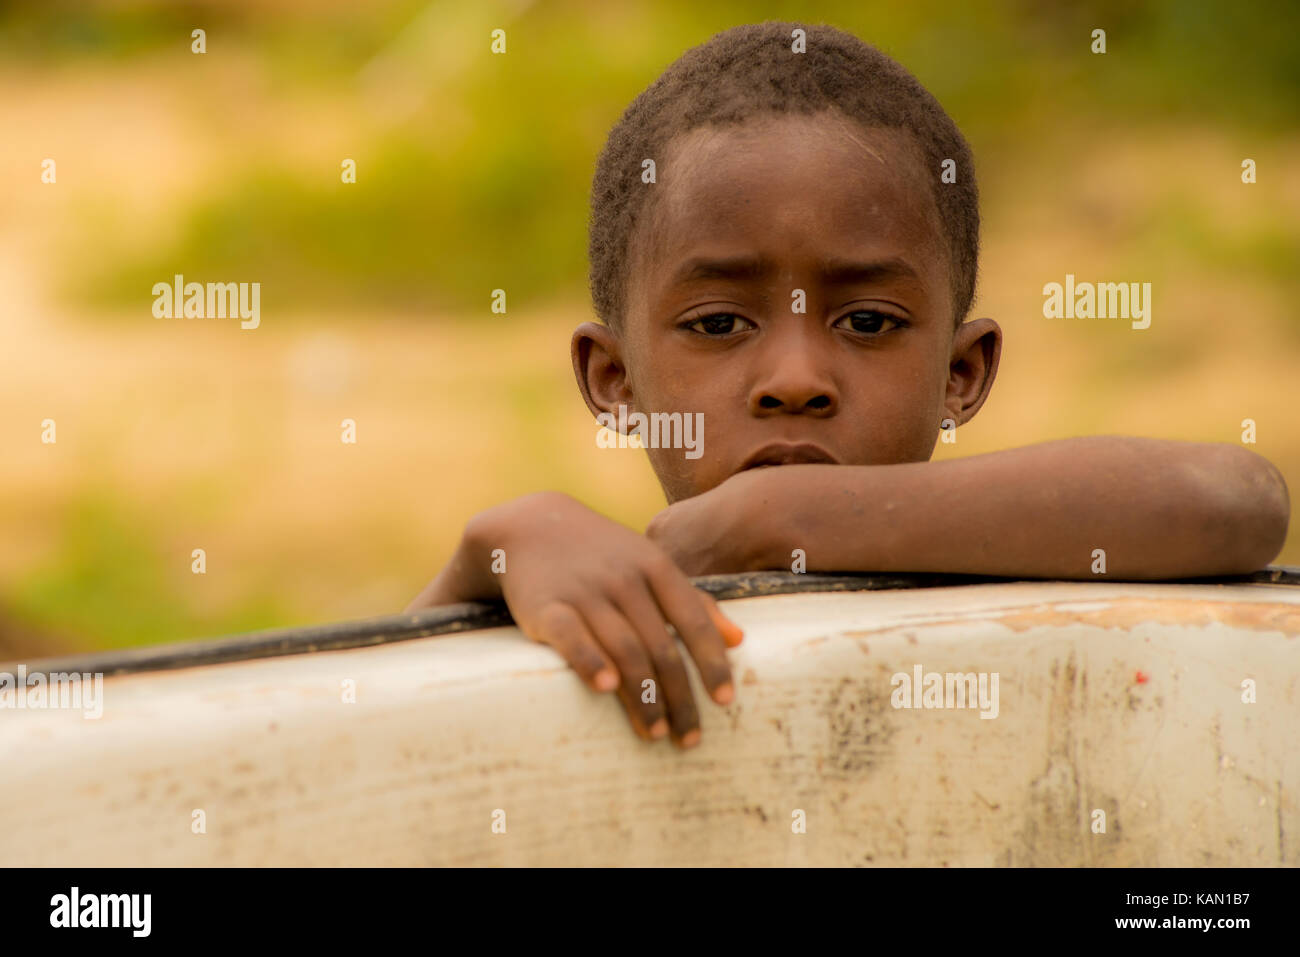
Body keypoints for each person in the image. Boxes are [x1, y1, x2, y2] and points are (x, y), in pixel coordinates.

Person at [407, 21, 1290, 749]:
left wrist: (768, 519)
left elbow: (1231, 500)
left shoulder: (1018, 563)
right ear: (615, 380)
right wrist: (484, 564)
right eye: (719, 324)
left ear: (961, 372)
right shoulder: (598, 607)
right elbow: (359, 734)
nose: (796, 381)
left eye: (867, 322)